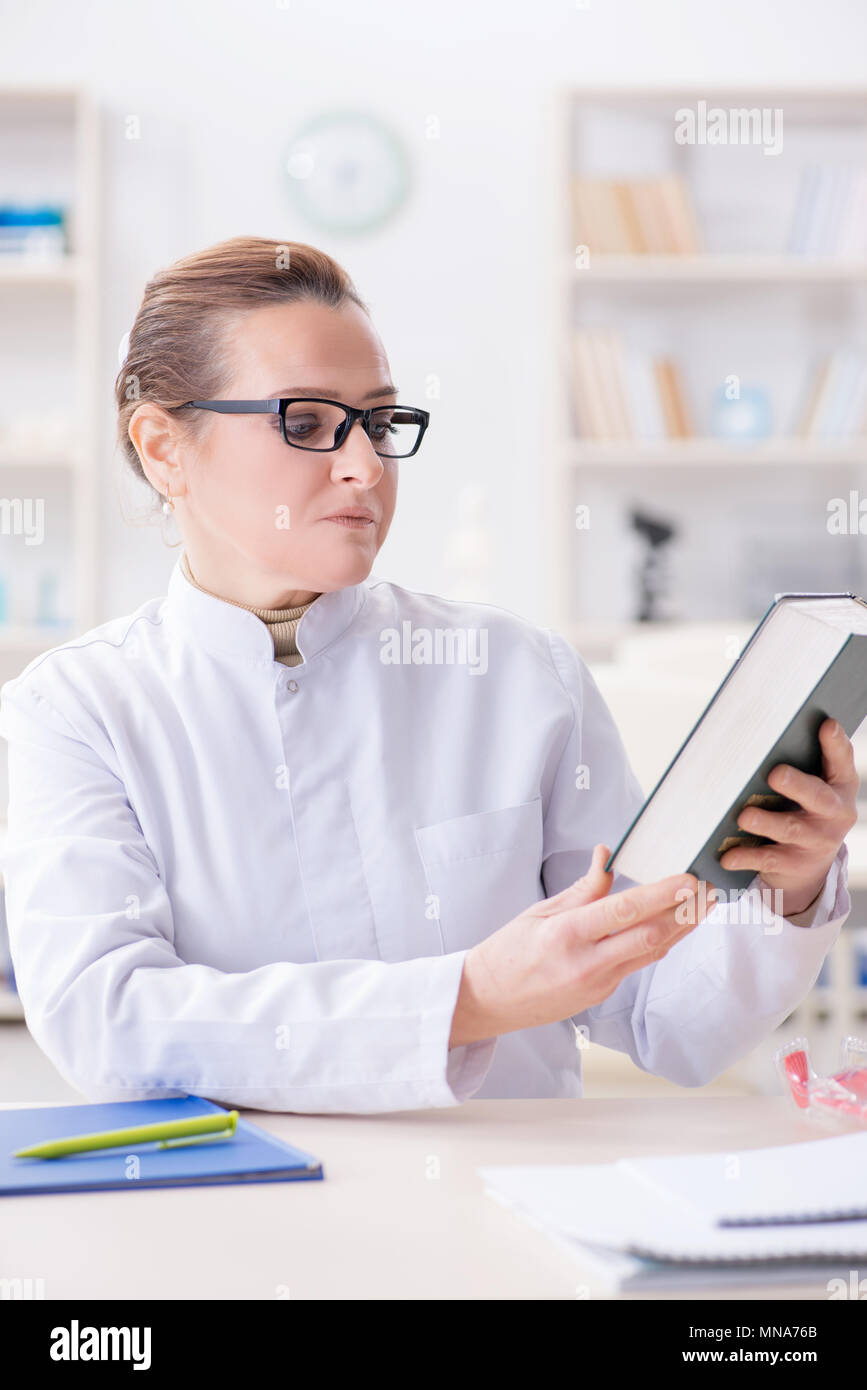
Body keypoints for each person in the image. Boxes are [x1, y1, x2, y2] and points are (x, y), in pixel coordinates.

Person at [0, 237, 857, 1113]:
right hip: (234, 1222)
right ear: (162, 448)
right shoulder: (71, 713)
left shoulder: (519, 676)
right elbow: (107, 1021)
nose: (365, 467)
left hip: (513, 1212)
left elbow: (664, 1017)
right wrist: (469, 1000)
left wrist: (784, 890)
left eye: (378, 421)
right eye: (305, 423)